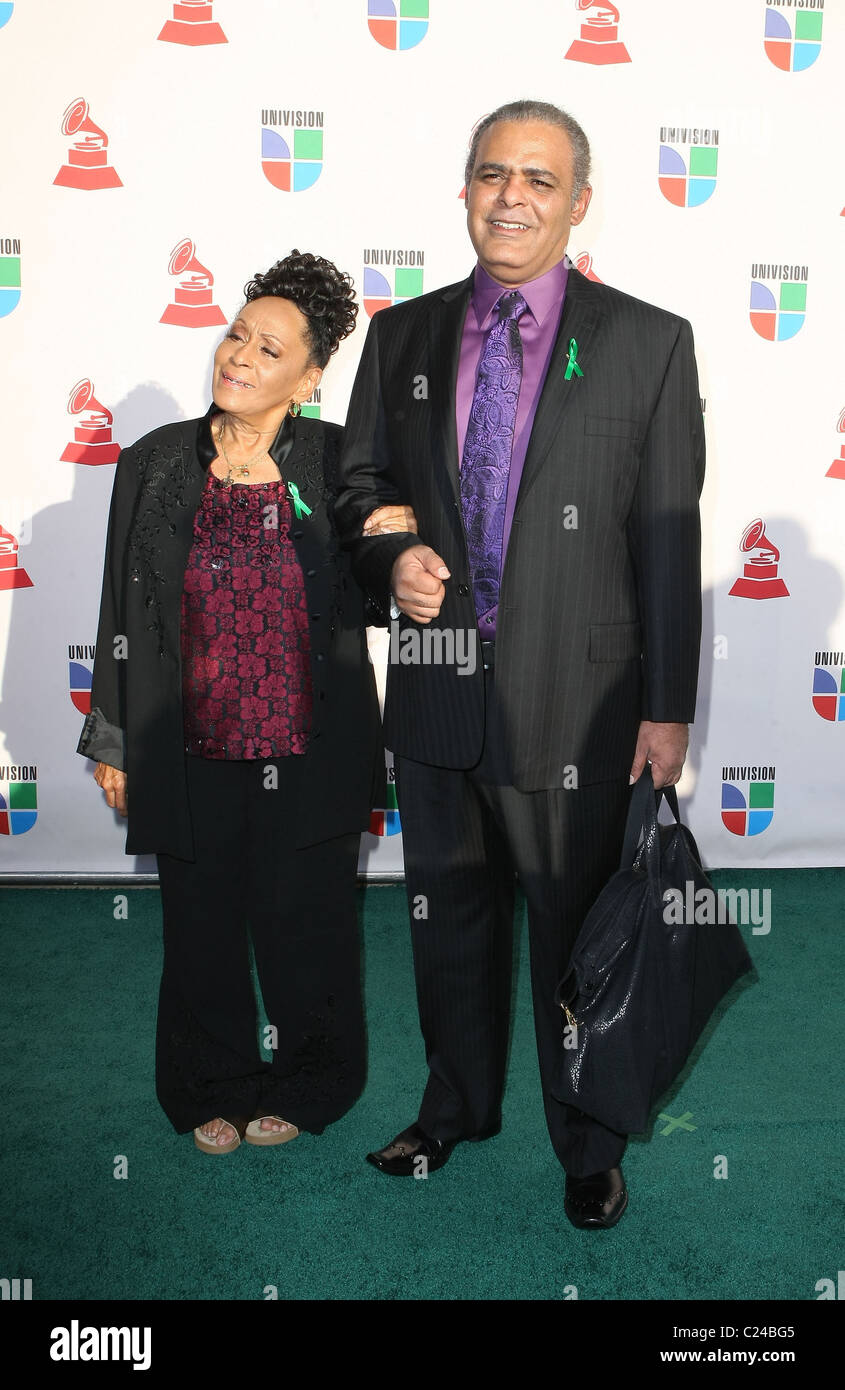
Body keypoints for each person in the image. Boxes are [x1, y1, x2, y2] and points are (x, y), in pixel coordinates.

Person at [335, 101, 704, 1227]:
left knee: (570, 936)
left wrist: (665, 707)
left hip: (581, 704)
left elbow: (667, 532)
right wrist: (393, 554)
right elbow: (355, 488)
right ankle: (452, 1108)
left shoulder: (648, 339)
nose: (511, 197)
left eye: (539, 180)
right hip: (438, 677)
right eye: (492, 173)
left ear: (577, 203)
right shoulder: (400, 335)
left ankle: (586, 1141)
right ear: (463, 189)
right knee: (445, 919)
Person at [78, 251, 414, 1155]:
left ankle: (315, 1079)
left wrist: (319, 511)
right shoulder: (153, 461)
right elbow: (121, 604)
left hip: (308, 739)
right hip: (185, 740)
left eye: (269, 350)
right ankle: (206, 1083)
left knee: (309, 924)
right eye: (236, 335)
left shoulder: (343, 458)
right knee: (199, 925)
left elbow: (373, 593)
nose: (239, 357)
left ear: (307, 377)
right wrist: (113, 736)